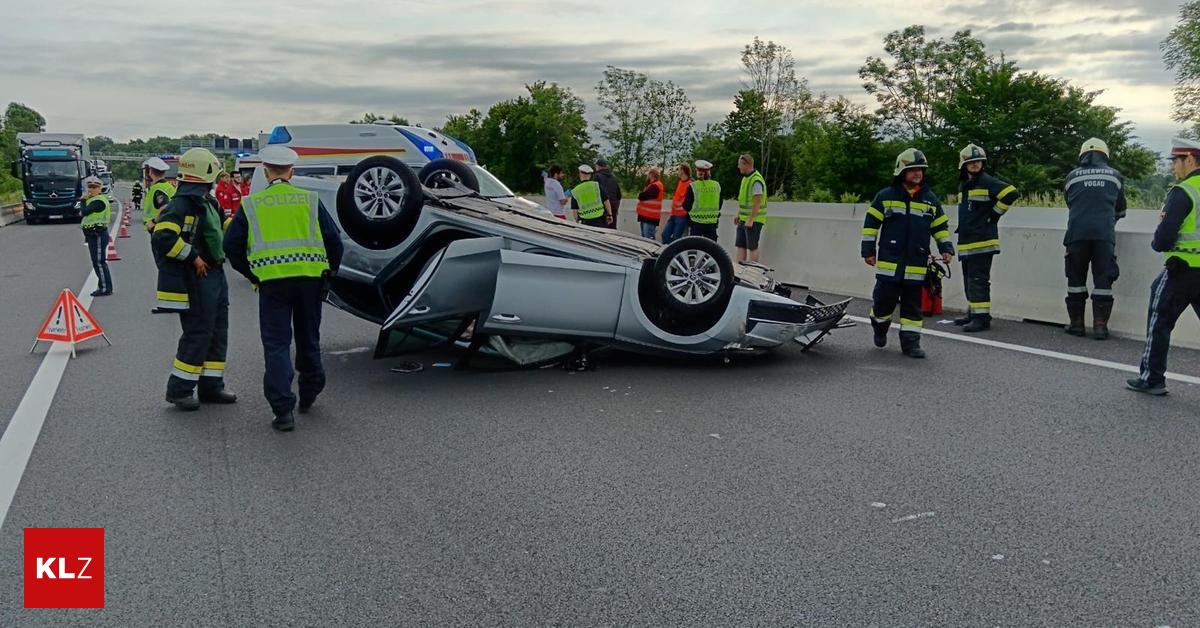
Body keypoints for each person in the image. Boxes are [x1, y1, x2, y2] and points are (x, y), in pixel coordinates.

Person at [224, 146, 344, 431]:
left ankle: (282, 411)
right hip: (309, 282)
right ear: (292, 171)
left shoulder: (253, 204)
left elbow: (231, 246)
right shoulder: (310, 200)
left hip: (272, 283)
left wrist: (252, 274)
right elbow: (335, 241)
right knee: (308, 338)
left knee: (277, 345)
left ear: (266, 172)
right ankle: (310, 392)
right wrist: (329, 274)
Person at [151, 148, 236, 411]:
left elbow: (222, 228)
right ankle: (179, 390)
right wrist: (193, 257)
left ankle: (212, 386)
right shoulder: (180, 205)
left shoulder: (208, 202)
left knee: (217, 332)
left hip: (216, 274)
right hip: (197, 278)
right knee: (198, 333)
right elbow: (163, 237)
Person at [861, 148, 955, 358]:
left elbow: (940, 227)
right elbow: (871, 225)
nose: (917, 174)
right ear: (902, 171)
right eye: (912, 170)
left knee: (913, 308)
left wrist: (946, 248)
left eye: (920, 170)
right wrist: (867, 250)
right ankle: (880, 327)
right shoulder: (885, 196)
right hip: (889, 263)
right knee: (883, 302)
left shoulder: (930, 200)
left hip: (916, 264)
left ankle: (911, 344)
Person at [1126, 138, 1200, 395]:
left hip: (1181, 270)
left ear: (1189, 159)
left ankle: (1152, 378)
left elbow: (1166, 234)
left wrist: (1158, 244)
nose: (1172, 168)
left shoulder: (1184, 191)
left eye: (1175, 162)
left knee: (1159, 321)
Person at [1064, 137, 1127, 340]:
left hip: (1076, 235)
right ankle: (1100, 326)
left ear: (1082, 154)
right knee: (1103, 281)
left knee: (1076, 281)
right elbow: (1121, 208)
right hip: (1103, 236)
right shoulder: (1115, 176)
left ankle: (1077, 325)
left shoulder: (1072, 176)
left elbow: (1070, 203)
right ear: (1105, 154)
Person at [953, 144, 1020, 332]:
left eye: (977, 162)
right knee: (969, 279)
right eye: (971, 162)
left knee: (977, 280)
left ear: (983, 163)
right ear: (964, 165)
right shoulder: (964, 185)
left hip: (982, 241)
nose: (974, 165)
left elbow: (1011, 193)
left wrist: (994, 215)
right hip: (967, 241)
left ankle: (981, 318)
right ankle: (973, 312)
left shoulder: (987, 181)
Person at [79, 176, 114, 297]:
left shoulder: (99, 201)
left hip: (98, 234)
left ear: (100, 188)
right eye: (90, 187)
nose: (91, 189)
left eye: (94, 187)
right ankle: (103, 285)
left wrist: (83, 200)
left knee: (99, 262)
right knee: (97, 262)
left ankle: (105, 288)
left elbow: (84, 212)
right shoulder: (93, 200)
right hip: (92, 235)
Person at [735, 154, 767, 263]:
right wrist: (739, 214)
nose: (738, 167)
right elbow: (745, 201)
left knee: (752, 247)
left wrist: (751, 219)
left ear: (746, 164)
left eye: (740, 165)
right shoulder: (745, 178)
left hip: (754, 220)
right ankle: (740, 272)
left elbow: (757, 202)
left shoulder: (756, 180)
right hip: (744, 218)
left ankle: (753, 272)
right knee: (740, 245)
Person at [686, 159, 721, 241]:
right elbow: (720, 203)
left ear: (698, 172)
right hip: (712, 223)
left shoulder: (693, 186)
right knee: (711, 249)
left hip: (696, 223)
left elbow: (686, 205)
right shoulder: (716, 185)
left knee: (695, 248)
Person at [142, 157, 175, 232]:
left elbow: (165, 208)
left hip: (160, 228)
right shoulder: (170, 186)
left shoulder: (157, 189)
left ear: (151, 172)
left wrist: (153, 222)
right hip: (170, 227)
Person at [661, 163, 691, 244]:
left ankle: (675, 254)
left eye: (679, 169)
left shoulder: (690, 183)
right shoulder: (680, 182)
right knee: (665, 235)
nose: (678, 171)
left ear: (683, 171)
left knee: (676, 239)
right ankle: (671, 252)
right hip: (674, 214)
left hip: (682, 216)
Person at [635, 167, 665, 240]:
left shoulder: (655, 185)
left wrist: (642, 193)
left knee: (648, 239)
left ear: (651, 175)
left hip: (650, 217)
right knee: (645, 238)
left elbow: (642, 196)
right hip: (646, 216)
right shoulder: (651, 185)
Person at [594, 159, 621, 229]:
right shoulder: (614, 178)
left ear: (598, 166)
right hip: (613, 207)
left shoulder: (597, 176)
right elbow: (618, 195)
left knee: (602, 230)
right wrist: (615, 208)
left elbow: (595, 193)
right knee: (612, 230)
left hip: (602, 208)